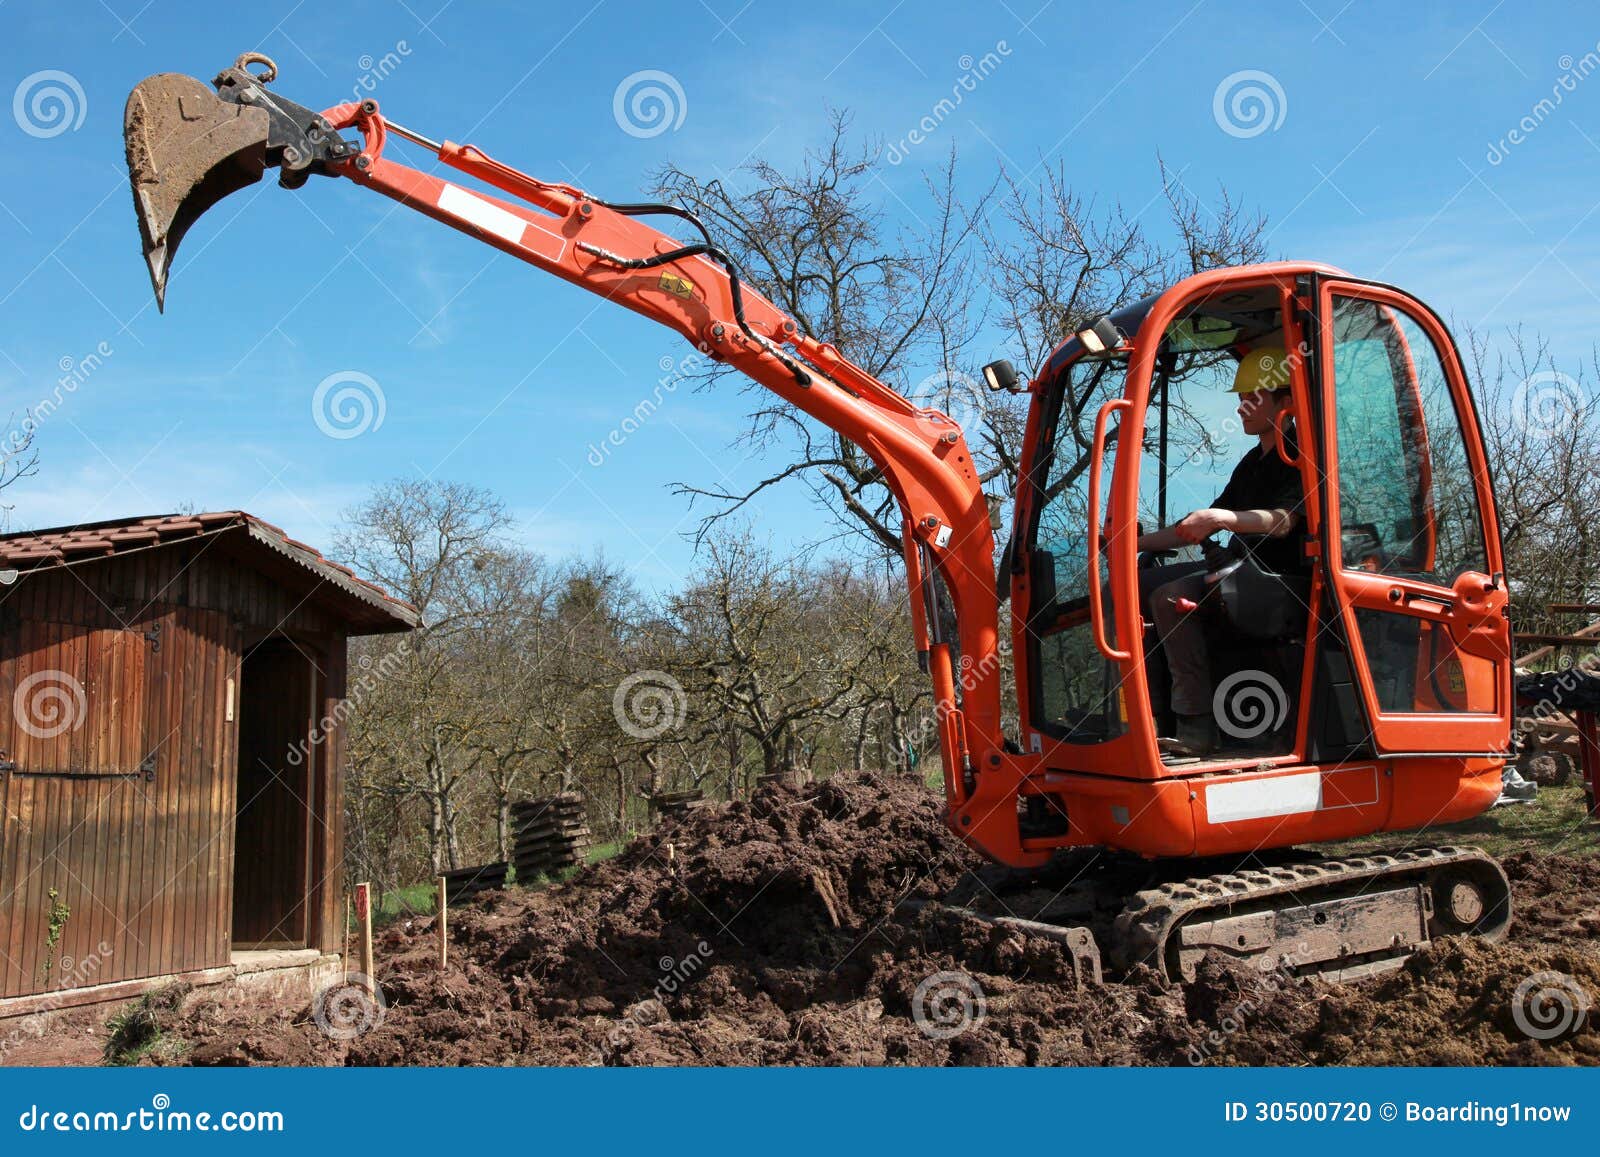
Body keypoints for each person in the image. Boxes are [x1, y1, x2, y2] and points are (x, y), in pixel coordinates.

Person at [1133, 343, 1307, 756]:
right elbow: (1196, 524)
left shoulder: (1301, 454)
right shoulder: (1251, 462)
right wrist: (1132, 543)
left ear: (1286, 401)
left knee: (1170, 596)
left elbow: (1284, 521)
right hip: (1243, 574)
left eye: (1254, 398)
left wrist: (1224, 520)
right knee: (1132, 587)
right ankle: (1145, 719)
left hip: (1281, 581)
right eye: (1242, 399)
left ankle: (1197, 727)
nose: (1243, 408)